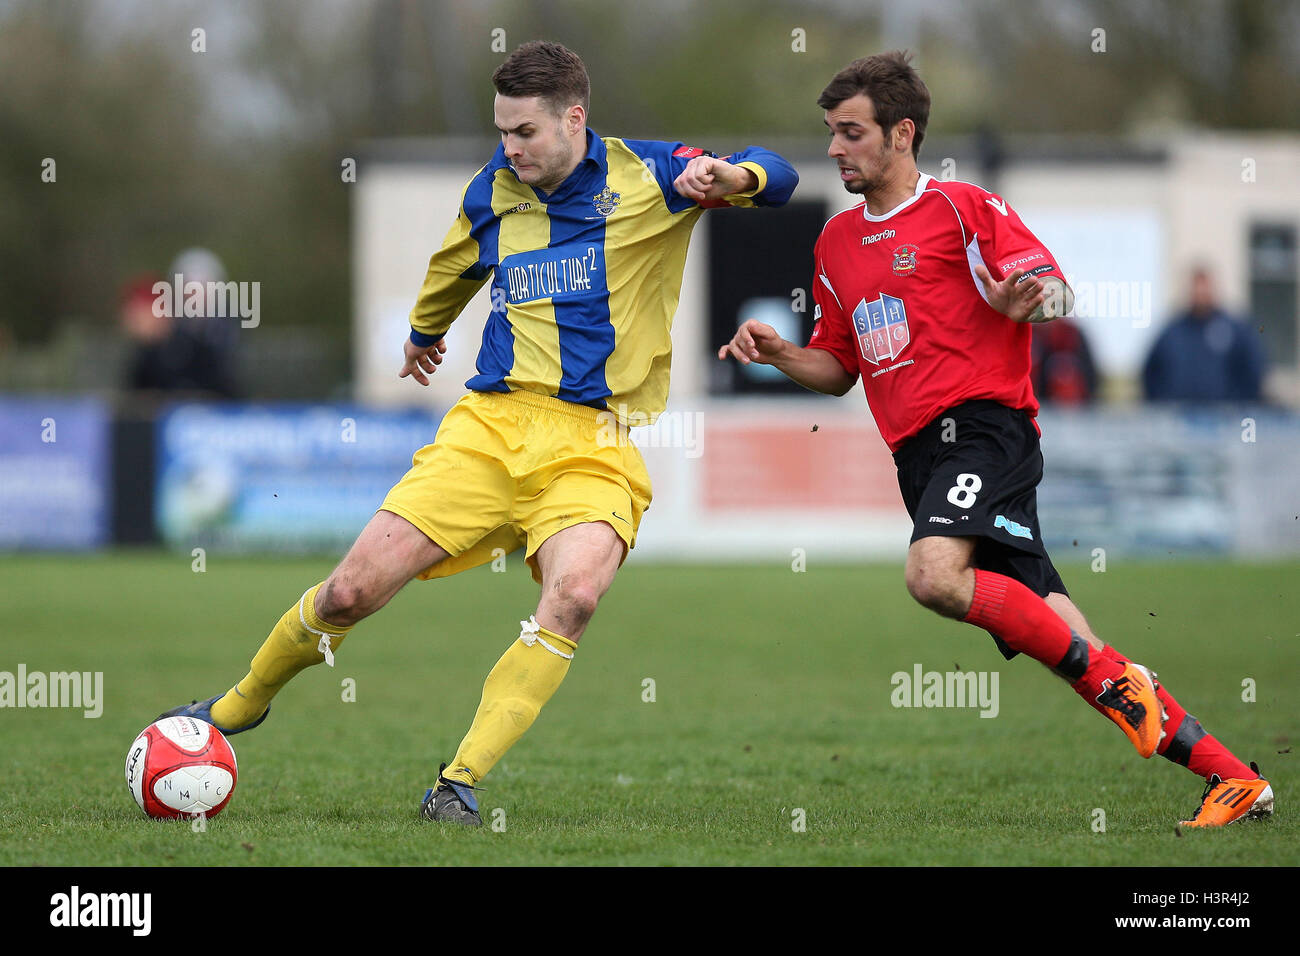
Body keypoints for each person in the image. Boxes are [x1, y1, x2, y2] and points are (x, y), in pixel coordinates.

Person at [160, 40, 797, 824]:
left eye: (525, 131)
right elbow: (455, 268)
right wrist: (423, 333)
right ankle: (240, 703)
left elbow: (782, 175)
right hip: (488, 430)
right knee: (352, 590)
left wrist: (735, 176)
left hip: (592, 443)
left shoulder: (653, 175)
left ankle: (457, 783)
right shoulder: (493, 190)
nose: (510, 147)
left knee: (576, 596)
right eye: (502, 130)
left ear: (574, 117)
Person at [718, 51, 1271, 828]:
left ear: (901, 133)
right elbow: (840, 367)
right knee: (1079, 645)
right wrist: (780, 355)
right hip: (920, 458)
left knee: (932, 575)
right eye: (830, 133)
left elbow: (1056, 291)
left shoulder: (963, 208)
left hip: (984, 433)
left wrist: (1030, 299)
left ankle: (1130, 693)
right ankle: (1233, 778)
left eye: (851, 132)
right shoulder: (836, 243)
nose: (836, 148)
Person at [1143, 266, 1266, 402]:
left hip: (1226, 418)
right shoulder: (1172, 333)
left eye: (1205, 287)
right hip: (1178, 416)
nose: (1201, 293)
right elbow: (1151, 373)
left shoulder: (1236, 330)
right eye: (1197, 288)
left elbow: (1253, 371)